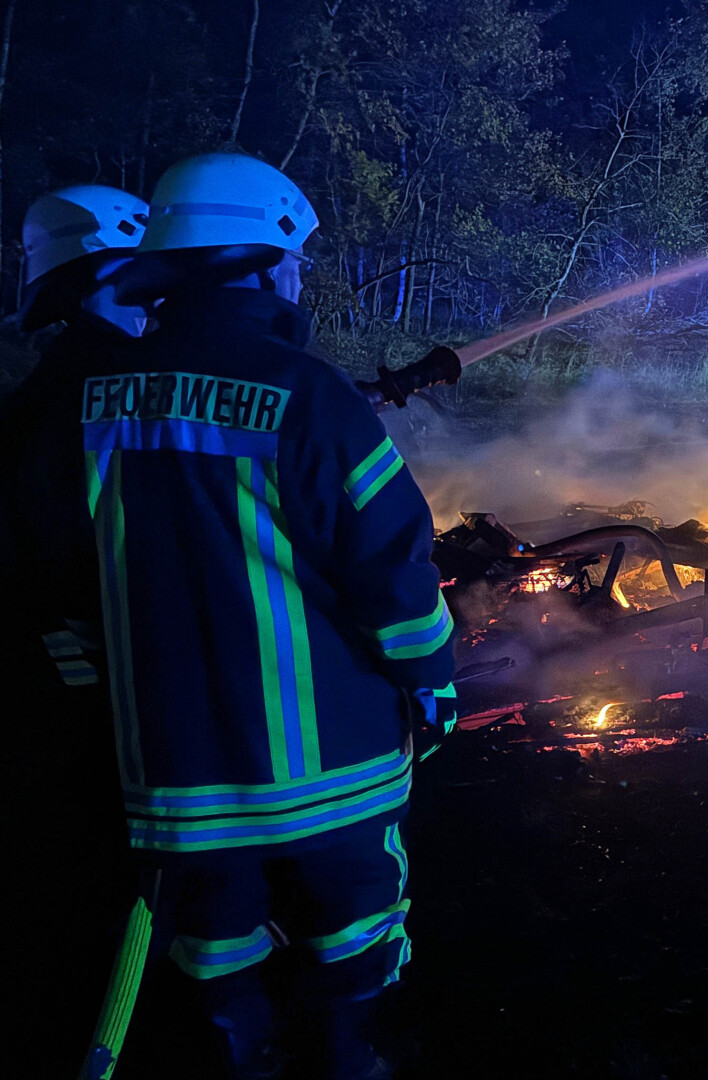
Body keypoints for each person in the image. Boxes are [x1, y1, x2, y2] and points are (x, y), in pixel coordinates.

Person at [11, 152, 457, 1079]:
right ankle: (348, 1058)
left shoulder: (87, 406)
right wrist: (433, 686)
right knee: (355, 925)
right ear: (257, 263)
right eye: (292, 260)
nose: (297, 279)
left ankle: (240, 1056)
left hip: (176, 774)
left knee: (215, 941)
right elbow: (395, 574)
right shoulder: (308, 394)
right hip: (332, 769)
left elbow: (60, 577)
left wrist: (116, 707)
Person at [1, 185, 150, 1076]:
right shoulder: (110, 395)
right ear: (111, 272)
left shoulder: (49, 391)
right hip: (91, 718)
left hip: (54, 705)